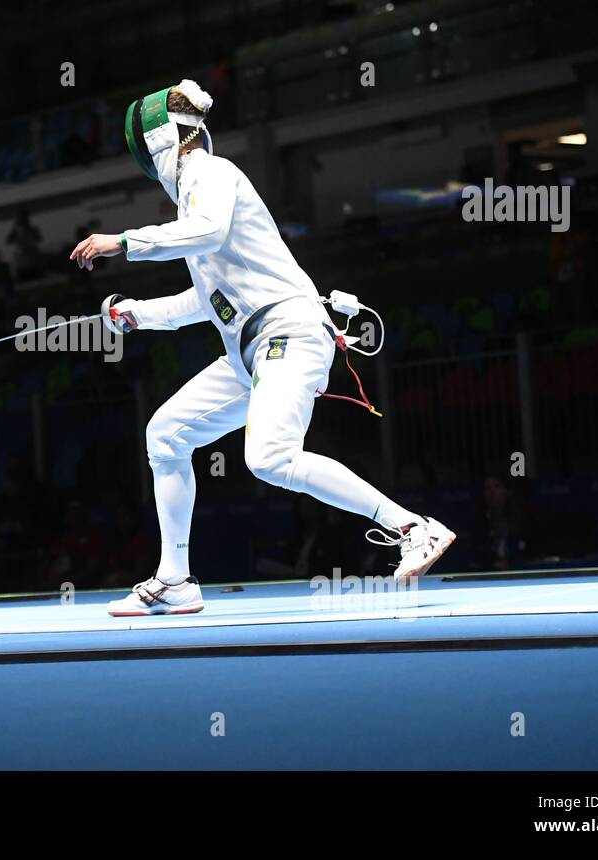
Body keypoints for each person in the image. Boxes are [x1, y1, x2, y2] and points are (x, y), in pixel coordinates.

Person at [70, 80, 455, 616]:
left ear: (155, 143)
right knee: (166, 435)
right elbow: (205, 302)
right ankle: (175, 580)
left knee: (269, 457)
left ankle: (413, 527)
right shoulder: (195, 199)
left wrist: (125, 243)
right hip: (251, 352)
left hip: (288, 334)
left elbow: (205, 232)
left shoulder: (209, 174)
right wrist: (136, 314)